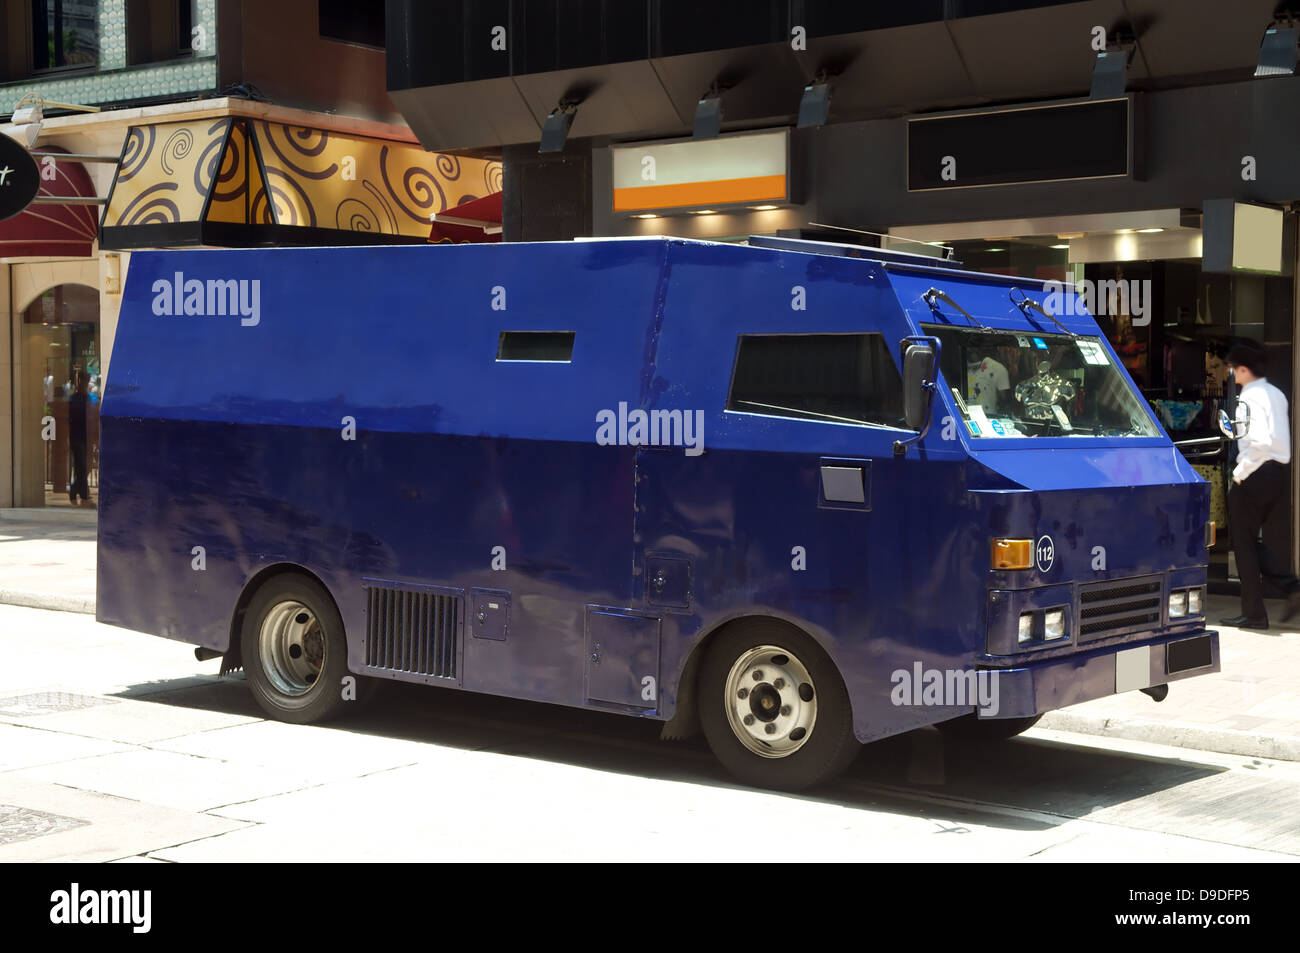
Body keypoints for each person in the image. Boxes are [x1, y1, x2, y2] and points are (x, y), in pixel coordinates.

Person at [1219, 345, 1297, 628]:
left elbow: (1260, 442)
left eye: (1233, 368)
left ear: (1243, 369)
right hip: (1278, 473)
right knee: (1250, 542)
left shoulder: (1249, 397)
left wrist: (1240, 472)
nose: (1231, 374)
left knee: (1244, 543)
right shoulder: (1276, 394)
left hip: (1254, 473)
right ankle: (1290, 586)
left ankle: (1254, 614)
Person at [67, 369, 93, 509]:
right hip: (77, 438)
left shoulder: (88, 398)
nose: (85, 384)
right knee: (81, 467)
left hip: (86, 437)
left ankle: (78, 492)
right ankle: (82, 496)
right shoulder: (74, 399)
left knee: (83, 468)